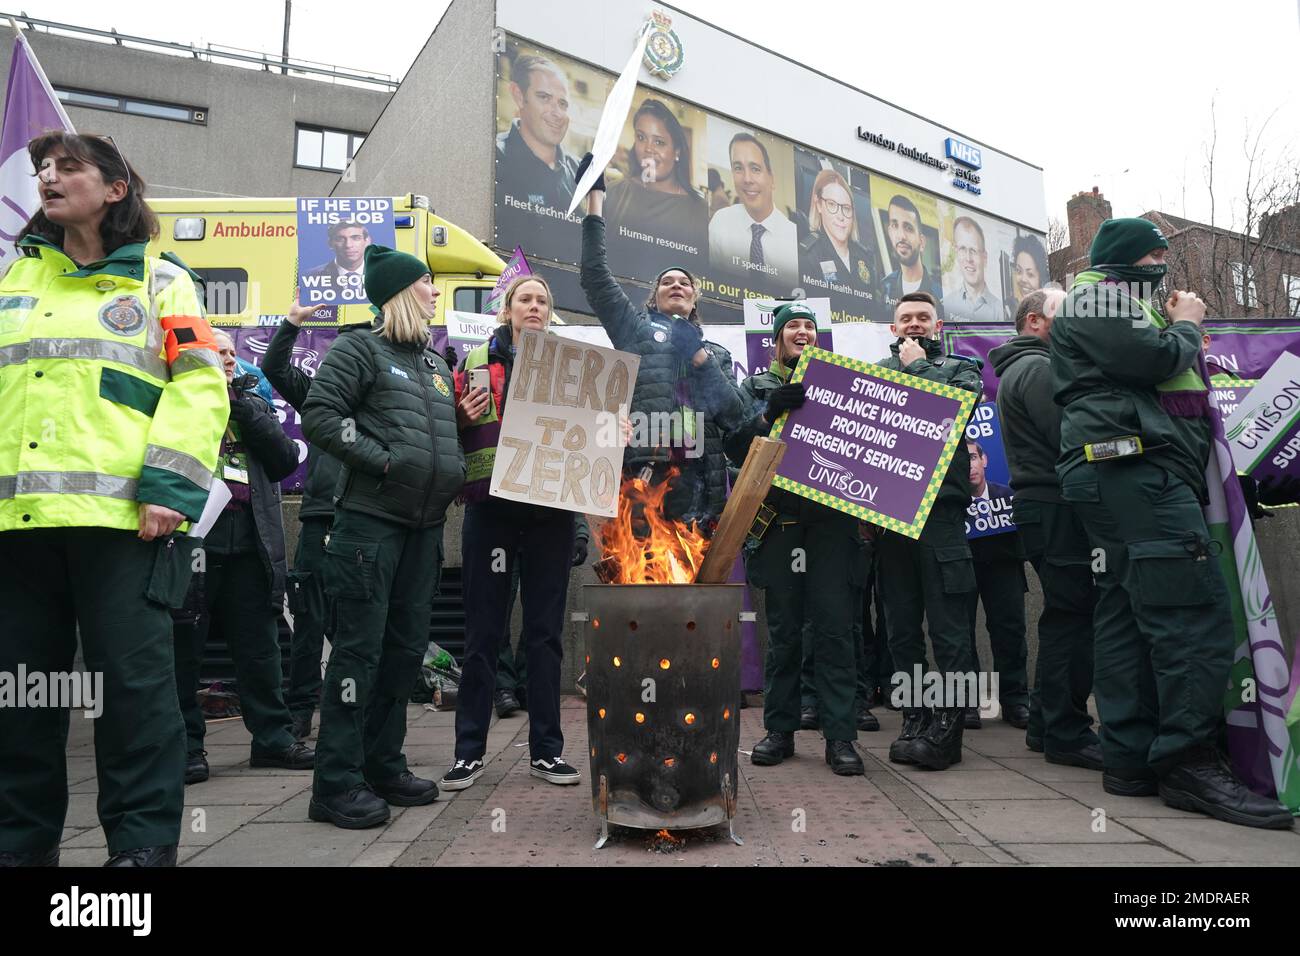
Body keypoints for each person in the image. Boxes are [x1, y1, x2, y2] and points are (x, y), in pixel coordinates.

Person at [0, 131, 228, 867]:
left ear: (116, 188)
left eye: (69, 167)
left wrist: (168, 488)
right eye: (43, 168)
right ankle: (19, 846)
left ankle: (140, 848)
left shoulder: (162, 281)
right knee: (22, 699)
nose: (48, 177)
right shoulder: (11, 283)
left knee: (131, 695)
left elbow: (200, 384)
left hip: (123, 525)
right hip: (17, 527)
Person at [1051, 217, 1291, 827]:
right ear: (1124, 257)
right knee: (1189, 611)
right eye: (1154, 253)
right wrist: (1187, 324)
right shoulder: (1099, 295)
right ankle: (1187, 761)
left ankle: (1131, 758)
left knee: (1130, 613)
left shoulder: (1119, 302)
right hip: (1135, 469)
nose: (1163, 264)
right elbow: (1152, 358)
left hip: (1131, 468)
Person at [301, 244, 465, 828]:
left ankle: (382, 764)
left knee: (401, 654)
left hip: (423, 530)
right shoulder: (359, 348)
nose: (436, 292)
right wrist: (386, 462)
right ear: (401, 293)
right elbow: (321, 415)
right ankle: (336, 784)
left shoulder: (435, 366)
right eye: (428, 283)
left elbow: (437, 439)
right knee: (357, 655)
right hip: (369, 527)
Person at [438, 275, 585, 790]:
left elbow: (589, 443)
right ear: (507, 309)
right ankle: (468, 752)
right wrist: (457, 417)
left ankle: (547, 751)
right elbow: (447, 430)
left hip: (551, 513)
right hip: (492, 510)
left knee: (545, 635)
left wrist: (611, 433)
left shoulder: (573, 367)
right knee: (482, 633)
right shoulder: (473, 361)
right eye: (526, 299)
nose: (536, 306)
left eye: (544, 299)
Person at [727, 303, 865, 775]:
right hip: (781, 526)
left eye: (809, 326)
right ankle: (779, 731)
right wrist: (769, 414)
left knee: (834, 631)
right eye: (793, 326)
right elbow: (736, 444)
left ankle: (841, 736)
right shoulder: (754, 387)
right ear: (777, 339)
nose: (802, 332)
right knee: (784, 634)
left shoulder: (846, 383)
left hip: (832, 525)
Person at [173, 329, 314, 784]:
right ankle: (186, 749)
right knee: (183, 652)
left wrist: (238, 403)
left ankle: (272, 740)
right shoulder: (177, 398)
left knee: (259, 649)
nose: (230, 359)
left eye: (233, 353)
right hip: (192, 541)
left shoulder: (250, 399)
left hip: (250, 541)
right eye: (220, 353)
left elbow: (283, 459)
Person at [579, 154, 744, 527]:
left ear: (694, 299)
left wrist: (700, 359)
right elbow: (595, 277)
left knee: (692, 586)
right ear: (653, 298)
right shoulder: (634, 330)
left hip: (702, 485)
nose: (676, 285)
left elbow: (734, 417)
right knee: (643, 576)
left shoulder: (716, 354)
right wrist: (596, 201)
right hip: (645, 479)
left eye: (684, 282)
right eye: (667, 282)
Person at [990, 288, 1102, 769]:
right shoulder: (1037, 369)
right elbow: (1069, 437)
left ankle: (1047, 725)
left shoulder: (1031, 366)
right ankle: (1066, 732)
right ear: (1036, 321)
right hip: (1053, 506)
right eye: (1065, 312)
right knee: (1072, 617)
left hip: (1047, 506)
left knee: (1066, 614)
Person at [875, 291, 983, 771]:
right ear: (893, 328)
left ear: (936, 327)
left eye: (923, 318)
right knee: (901, 628)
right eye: (906, 319)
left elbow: (956, 409)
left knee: (950, 627)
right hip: (891, 515)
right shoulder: (874, 372)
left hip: (940, 513)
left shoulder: (961, 367)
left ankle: (949, 728)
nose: (915, 324)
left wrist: (917, 369)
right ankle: (916, 716)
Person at [262, 298, 371, 740]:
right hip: (319, 521)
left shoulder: (382, 400)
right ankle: (301, 709)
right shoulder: (317, 395)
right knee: (307, 619)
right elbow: (273, 367)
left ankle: (355, 711)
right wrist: (291, 322)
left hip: (365, 521)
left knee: (360, 624)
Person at [963, 438, 1030, 730]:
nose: (970, 467)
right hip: (962, 560)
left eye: (973, 458)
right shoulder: (952, 500)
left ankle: (1015, 700)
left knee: (1010, 629)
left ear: (985, 460)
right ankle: (967, 702)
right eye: (964, 460)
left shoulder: (1008, 495)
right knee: (959, 633)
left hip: (1003, 559)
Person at [495, 515, 590, 716]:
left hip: (544, 530)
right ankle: (503, 685)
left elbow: (567, 485)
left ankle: (526, 682)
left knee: (541, 618)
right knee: (497, 613)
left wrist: (580, 532)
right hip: (500, 529)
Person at [604, 99, 709, 275]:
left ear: (677, 152)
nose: (648, 149)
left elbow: (700, 274)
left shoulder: (697, 208)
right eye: (641, 137)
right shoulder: (614, 193)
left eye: (659, 142)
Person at [708, 132, 798, 292]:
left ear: (772, 178)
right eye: (738, 168)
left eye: (755, 169)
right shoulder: (720, 222)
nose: (747, 179)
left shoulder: (794, 237)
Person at [495, 54, 579, 211]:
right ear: (519, 96)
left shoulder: (581, 172)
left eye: (563, 103)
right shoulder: (494, 157)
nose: (557, 113)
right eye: (544, 97)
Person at [797, 168, 881, 308]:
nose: (840, 216)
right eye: (832, 205)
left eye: (846, 208)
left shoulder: (865, 258)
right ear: (818, 205)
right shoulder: (808, 255)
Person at [880, 195, 944, 311]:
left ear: (922, 242)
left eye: (908, 228)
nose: (901, 236)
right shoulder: (884, 288)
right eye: (895, 225)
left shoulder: (941, 296)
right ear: (889, 232)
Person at [943, 216, 1002, 322]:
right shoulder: (945, 305)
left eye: (974, 250)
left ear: (985, 258)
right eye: (962, 249)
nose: (968, 258)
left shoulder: (1000, 311)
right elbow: (936, 337)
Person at [304, 220, 370, 283]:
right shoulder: (309, 276)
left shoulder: (379, 273)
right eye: (340, 239)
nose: (348, 245)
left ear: (367, 242)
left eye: (355, 238)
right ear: (330, 244)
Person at [1005, 234, 1049, 322]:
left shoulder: (1048, 315)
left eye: (1030, 274)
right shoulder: (1010, 310)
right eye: (1019, 271)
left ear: (1041, 279)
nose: (1023, 279)